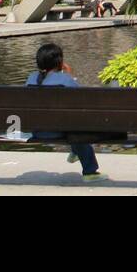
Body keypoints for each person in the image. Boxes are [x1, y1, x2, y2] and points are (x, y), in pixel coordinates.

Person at [25, 42, 106, 182]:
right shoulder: (64, 79)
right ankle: (90, 172)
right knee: (79, 128)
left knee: (72, 123)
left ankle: (75, 151)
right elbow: (83, 100)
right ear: (59, 61)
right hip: (60, 131)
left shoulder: (31, 78)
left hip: (38, 130)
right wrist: (69, 75)